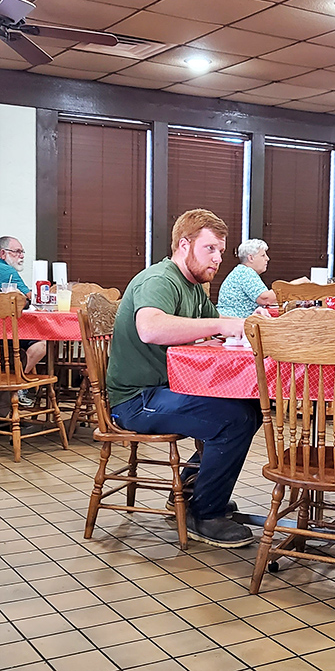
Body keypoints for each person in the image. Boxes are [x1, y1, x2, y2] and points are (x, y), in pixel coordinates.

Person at [106, 209, 261, 547]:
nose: (218, 258)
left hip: (164, 390)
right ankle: (204, 513)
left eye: (221, 250)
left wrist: (247, 320)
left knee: (249, 407)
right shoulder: (161, 279)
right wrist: (221, 326)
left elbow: (213, 324)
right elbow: (151, 328)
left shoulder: (193, 287)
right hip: (136, 400)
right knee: (233, 420)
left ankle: (194, 490)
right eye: (211, 249)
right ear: (183, 244)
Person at [216, 239, 309, 318]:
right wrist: (296, 284)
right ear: (251, 258)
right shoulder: (245, 272)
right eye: (263, 255)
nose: (267, 258)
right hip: (234, 324)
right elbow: (266, 298)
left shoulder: (242, 271)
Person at [0, 236, 46, 376]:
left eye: (22, 252)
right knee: (42, 343)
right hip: (5, 332)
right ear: (3, 253)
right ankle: (18, 382)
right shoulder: (7, 271)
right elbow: (30, 297)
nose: (21, 256)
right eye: (17, 251)